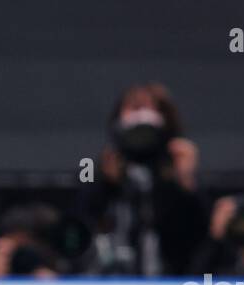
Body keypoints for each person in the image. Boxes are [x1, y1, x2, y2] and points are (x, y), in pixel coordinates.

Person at [77, 83, 207, 275]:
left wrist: (185, 183)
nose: (142, 117)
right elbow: (78, 227)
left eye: (150, 109)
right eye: (134, 108)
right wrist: (106, 185)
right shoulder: (102, 169)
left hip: (170, 281)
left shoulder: (175, 168)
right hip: (110, 280)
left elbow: (198, 237)